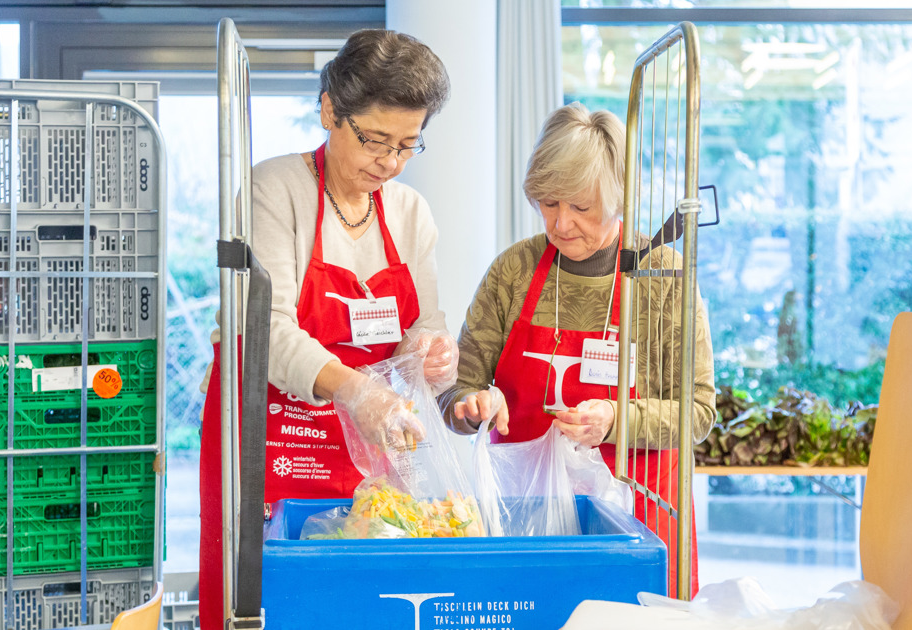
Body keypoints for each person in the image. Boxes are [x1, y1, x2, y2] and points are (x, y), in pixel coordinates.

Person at [199, 29, 456, 625]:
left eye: (407, 146)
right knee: (266, 599)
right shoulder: (274, 190)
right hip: (270, 439)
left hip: (368, 449)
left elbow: (426, 323)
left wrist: (433, 354)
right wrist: (357, 390)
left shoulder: (411, 212)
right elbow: (266, 330)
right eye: (374, 140)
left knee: (361, 601)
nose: (389, 163)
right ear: (329, 110)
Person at [439, 103, 717, 596]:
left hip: (639, 525)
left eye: (581, 207)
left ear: (621, 198)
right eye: (548, 203)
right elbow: (455, 391)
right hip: (528, 521)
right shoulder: (515, 271)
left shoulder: (661, 277)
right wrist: (472, 405)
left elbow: (696, 411)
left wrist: (615, 418)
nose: (561, 223)